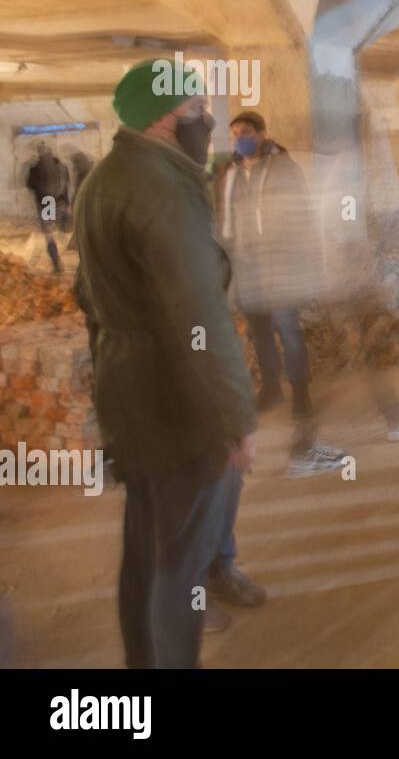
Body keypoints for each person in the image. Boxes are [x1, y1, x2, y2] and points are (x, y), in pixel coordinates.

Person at [73, 59, 255, 668]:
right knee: (182, 563)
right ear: (161, 118)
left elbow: (88, 296)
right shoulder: (163, 187)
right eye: (197, 110)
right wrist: (232, 419)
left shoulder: (105, 178)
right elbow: (198, 314)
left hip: (130, 393)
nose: (207, 120)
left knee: (148, 551)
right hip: (178, 402)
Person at [216, 111, 344, 481]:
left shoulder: (284, 168)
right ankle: (271, 387)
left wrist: (307, 261)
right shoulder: (231, 173)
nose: (241, 138)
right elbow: (226, 219)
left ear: (263, 134)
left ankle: (300, 390)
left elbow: (302, 216)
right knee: (258, 328)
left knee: (288, 328)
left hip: (282, 261)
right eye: (236, 133)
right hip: (247, 264)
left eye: (247, 132)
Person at [25, 141, 70, 272]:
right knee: (64, 231)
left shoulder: (35, 168)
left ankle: (56, 263)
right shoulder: (62, 166)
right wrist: (67, 204)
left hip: (47, 202)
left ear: (39, 153)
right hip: (61, 202)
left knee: (49, 234)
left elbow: (30, 185)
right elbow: (67, 185)